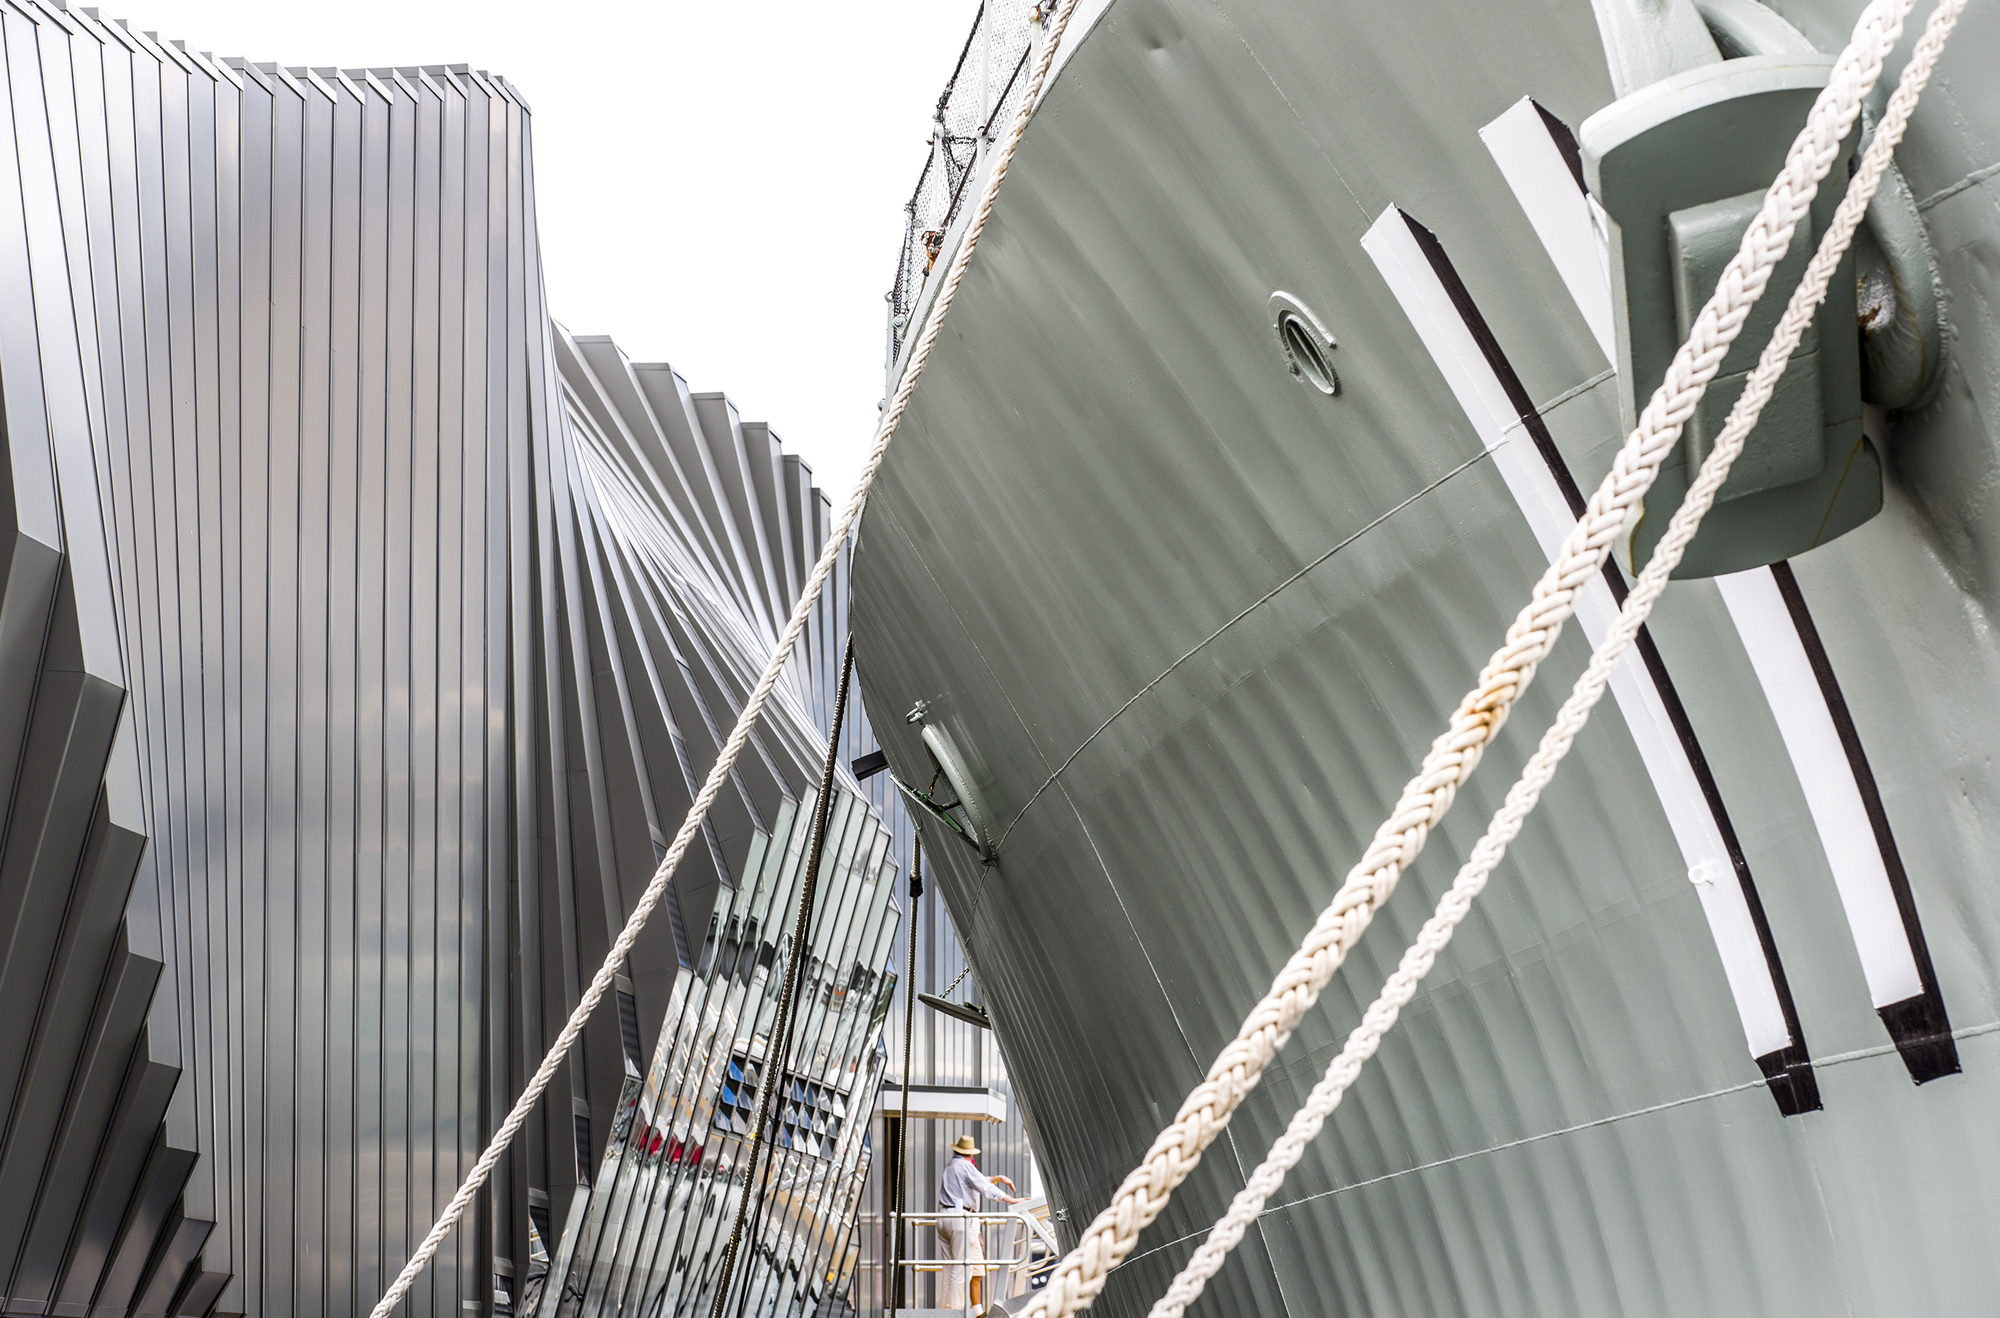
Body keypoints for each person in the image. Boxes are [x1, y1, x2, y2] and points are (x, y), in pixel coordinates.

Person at [936, 1133, 1022, 1312]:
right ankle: (955, 1312)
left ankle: (953, 1310)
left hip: (947, 1215)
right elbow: (984, 1186)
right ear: (971, 1154)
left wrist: (996, 1178)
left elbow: (977, 1180)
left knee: (958, 1268)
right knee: (962, 1268)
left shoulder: (951, 1166)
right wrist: (1012, 1200)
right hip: (961, 1218)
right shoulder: (966, 1166)